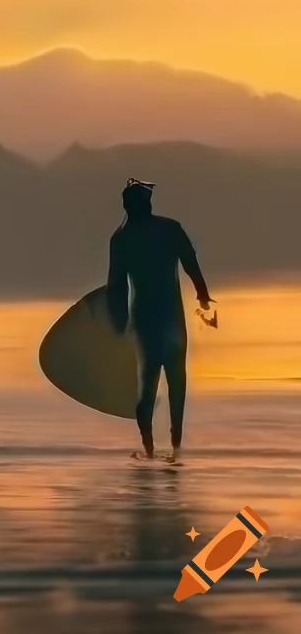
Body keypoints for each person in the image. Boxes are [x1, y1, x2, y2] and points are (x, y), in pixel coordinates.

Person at [106, 178, 212, 464]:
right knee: (177, 382)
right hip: (172, 319)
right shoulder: (169, 229)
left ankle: (150, 450)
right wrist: (203, 294)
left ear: (126, 206)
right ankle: (175, 449)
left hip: (144, 322)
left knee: (147, 385)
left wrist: (116, 325)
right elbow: (190, 262)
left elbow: (116, 287)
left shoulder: (122, 239)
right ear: (146, 204)